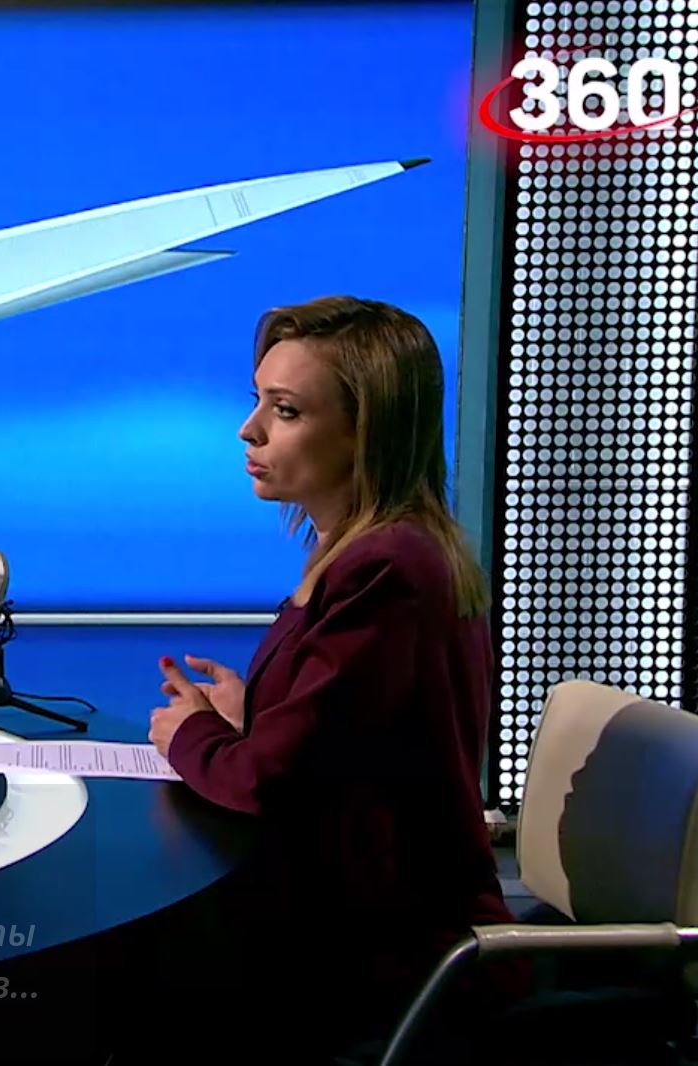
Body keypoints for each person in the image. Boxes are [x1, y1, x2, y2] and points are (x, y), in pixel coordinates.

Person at [145, 296, 518, 1061]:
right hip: (345, 924)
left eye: (283, 411)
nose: (248, 430)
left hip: (376, 956)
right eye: (257, 400)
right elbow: (356, 741)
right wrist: (255, 712)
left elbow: (269, 784)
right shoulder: (374, 551)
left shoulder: (385, 571)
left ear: (364, 433)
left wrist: (192, 734)